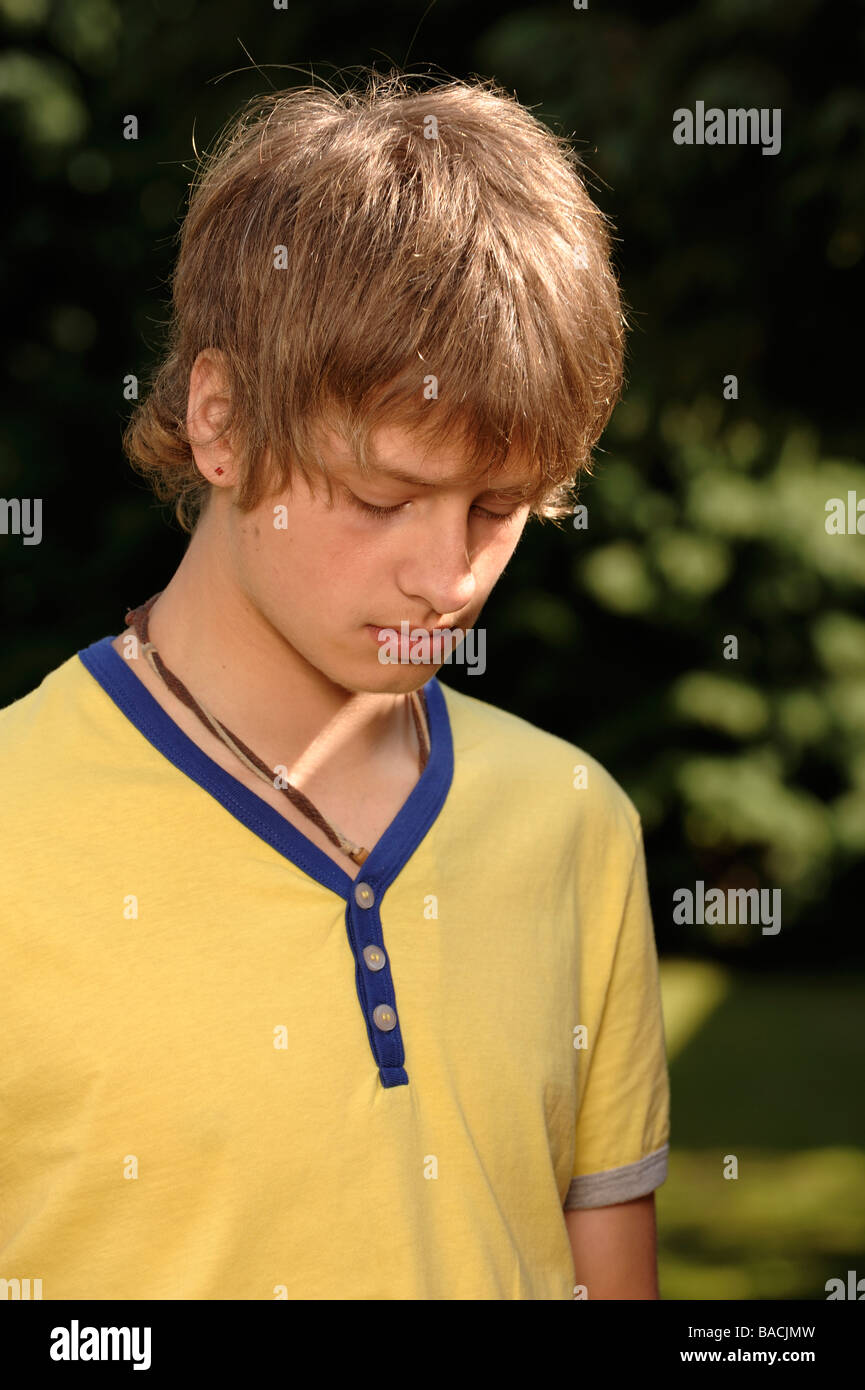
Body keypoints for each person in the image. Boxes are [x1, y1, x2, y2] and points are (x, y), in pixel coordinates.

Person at [0, 69, 669, 1300]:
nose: (449, 577)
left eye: (499, 508)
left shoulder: (575, 824)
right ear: (222, 420)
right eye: (381, 498)